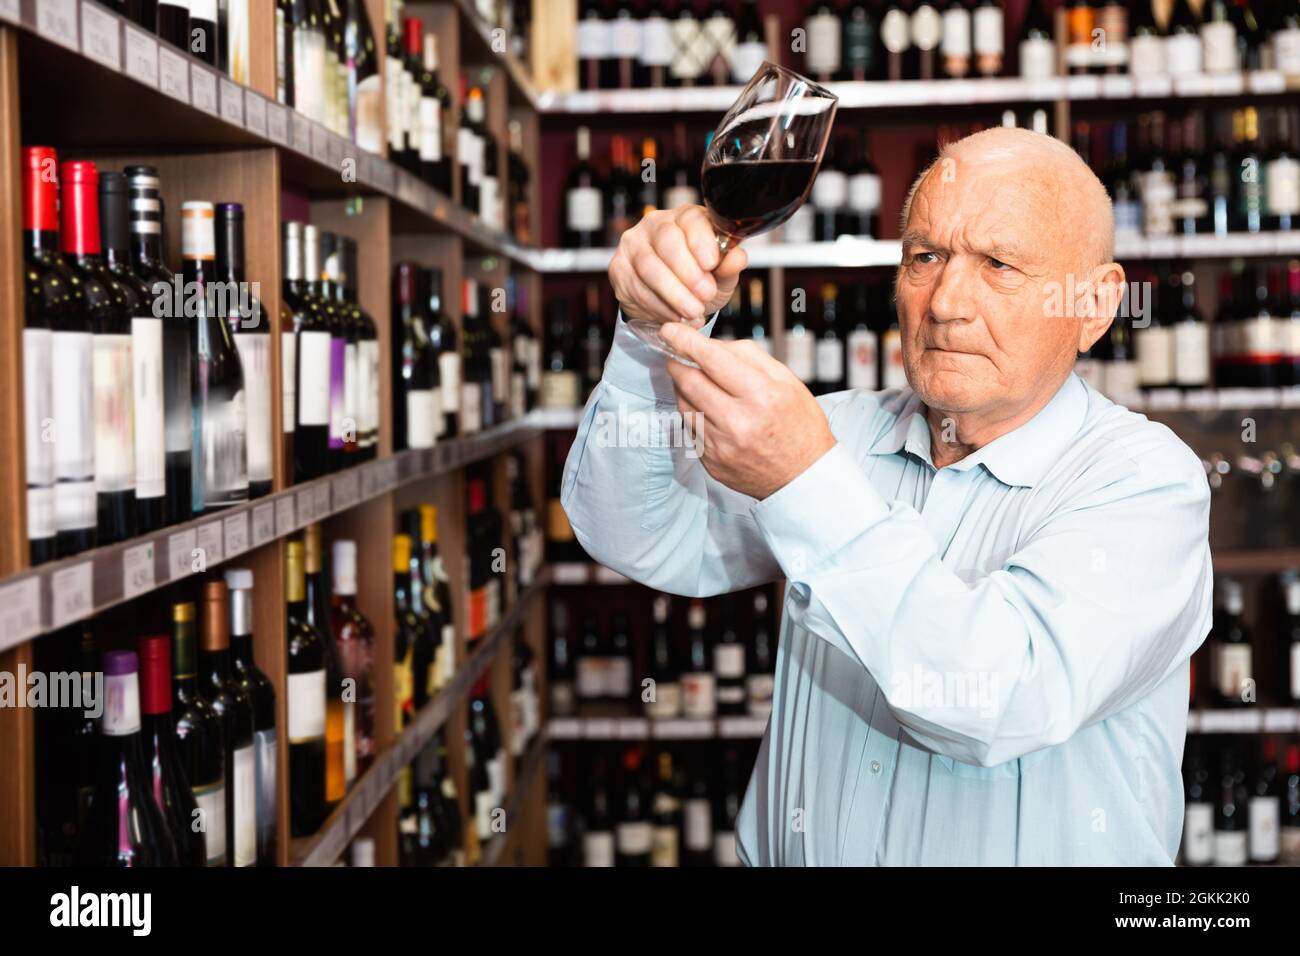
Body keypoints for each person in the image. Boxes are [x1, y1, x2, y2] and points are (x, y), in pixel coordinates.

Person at [561, 126, 1212, 865]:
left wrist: (803, 481)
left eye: (998, 263)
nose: (945, 305)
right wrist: (652, 331)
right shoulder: (838, 430)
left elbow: (993, 696)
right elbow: (633, 531)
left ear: (1095, 305)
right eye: (925, 257)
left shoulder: (1146, 484)